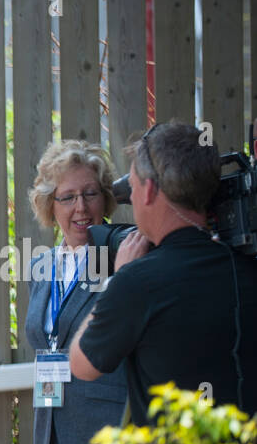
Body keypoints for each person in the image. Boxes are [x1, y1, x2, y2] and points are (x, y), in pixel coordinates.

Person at [72, 122, 257, 422]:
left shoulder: (136, 282)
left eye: (131, 187)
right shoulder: (246, 263)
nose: (129, 199)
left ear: (149, 191)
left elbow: (82, 363)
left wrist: (118, 280)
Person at [23, 140, 128, 444]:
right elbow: (47, 343)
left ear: (106, 198)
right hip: (54, 431)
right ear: (50, 205)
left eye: (90, 194)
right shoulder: (43, 265)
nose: (80, 207)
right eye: (67, 197)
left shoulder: (122, 259)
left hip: (104, 431)